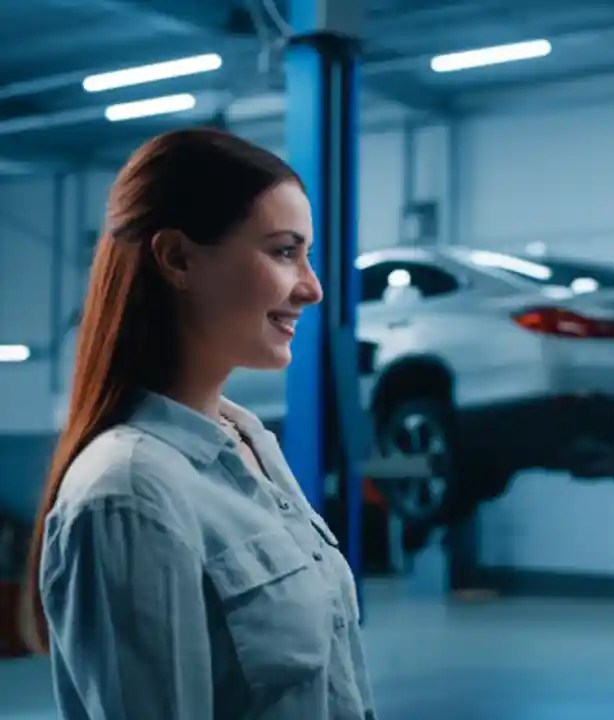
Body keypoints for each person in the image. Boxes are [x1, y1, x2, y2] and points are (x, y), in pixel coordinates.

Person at [21, 128, 377, 719]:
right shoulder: (130, 494)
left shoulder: (249, 442)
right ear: (179, 258)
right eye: (285, 251)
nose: (311, 288)